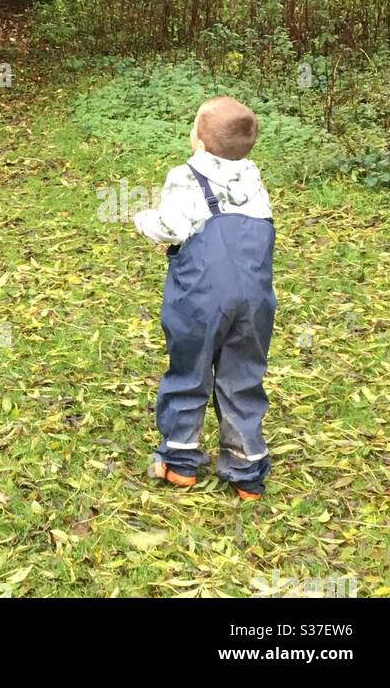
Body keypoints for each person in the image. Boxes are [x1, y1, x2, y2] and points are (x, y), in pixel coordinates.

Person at [133, 96, 276, 499]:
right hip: (254, 299)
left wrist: (142, 221)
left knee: (189, 368)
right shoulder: (253, 178)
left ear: (198, 139)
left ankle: (179, 462)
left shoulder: (185, 176)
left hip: (200, 298)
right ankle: (247, 472)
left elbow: (171, 226)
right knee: (243, 375)